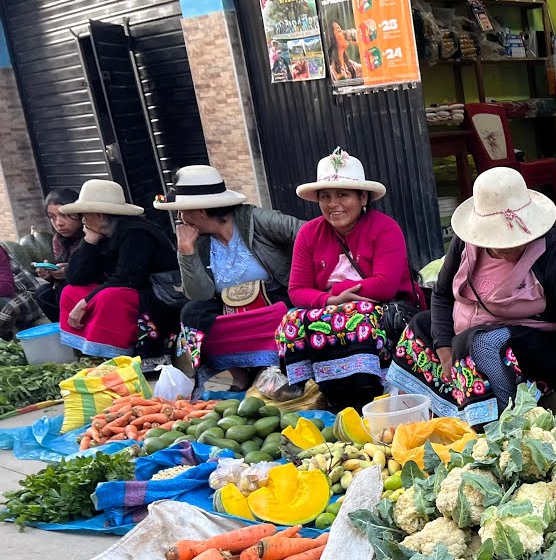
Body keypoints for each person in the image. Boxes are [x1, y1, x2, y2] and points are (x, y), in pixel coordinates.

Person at [387, 167, 556, 424]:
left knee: (482, 343)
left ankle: (496, 425)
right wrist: (443, 348)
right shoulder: (466, 243)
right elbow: (441, 295)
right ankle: (443, 412)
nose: (506, 247)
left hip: (534, 345)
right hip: (467, 334)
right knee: (420, 324)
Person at [277, 148, 419, 410]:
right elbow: (297, 290)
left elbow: (384, 286)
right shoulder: (309, 233)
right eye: (325, 196)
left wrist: (339, 293)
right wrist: (331, 299)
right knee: (292, 319)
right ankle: (330, 391)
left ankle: (366, 391)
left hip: (383, 309)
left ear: (362, 197)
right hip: (330, 308)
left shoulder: (386, 228)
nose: (334, 204)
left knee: (357, 314)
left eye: (343, 194)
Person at [155, 165, 303, 390]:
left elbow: (308, 233)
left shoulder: (257, 219)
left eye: (182, 211)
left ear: (201, 211)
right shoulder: (201, 242)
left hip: (274, 301)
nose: (180, 218)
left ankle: (269, 367)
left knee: (291, 310)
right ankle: (239, 373)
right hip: (229, 307)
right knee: (192, 314)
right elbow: (200, 294)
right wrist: (186, 252)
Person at [58, 180, 183, 362]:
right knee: (71, 292)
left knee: (109, 296)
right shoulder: (102, 234)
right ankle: (91, 350)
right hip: (127, 290)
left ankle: (116, 354)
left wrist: (86, 302)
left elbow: (127, 279)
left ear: (99, 216)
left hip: (158, 295)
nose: (83, 220)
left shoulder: (136, 233)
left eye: (85, 215)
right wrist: (89, 241)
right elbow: (75, 277)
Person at [35, 188, 85, 321]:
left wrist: (71, 271)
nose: (59, 223)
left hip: (93, 289)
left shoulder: (92, 236)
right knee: (43, 293)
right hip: (69, 289)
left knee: (65, 289)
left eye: (64, 215)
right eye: (52, 217)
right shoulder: (58, 239)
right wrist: (51, 274)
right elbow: (61, 274)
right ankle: (65, 332)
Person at [0, 246, 44, 339]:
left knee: (4, 307)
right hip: (6, 294)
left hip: (25, 295)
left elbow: (7, 286)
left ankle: (8, 336)